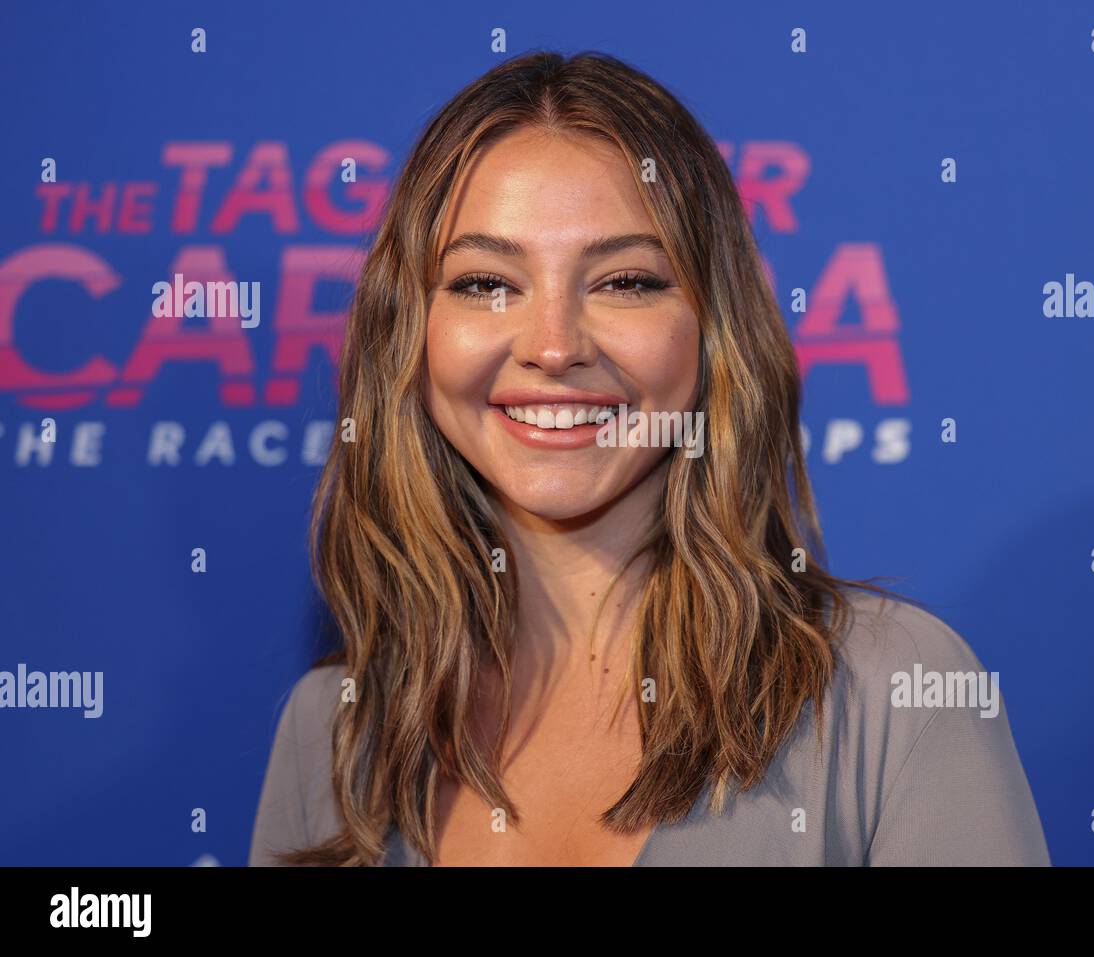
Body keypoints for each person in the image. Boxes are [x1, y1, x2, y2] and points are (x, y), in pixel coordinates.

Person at [249, 50, 1050, 867]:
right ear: (409, 335)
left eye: (626, 281)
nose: (553, 347)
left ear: (714, 331)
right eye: (487, 283)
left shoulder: (892, 693)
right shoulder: (336, 726)